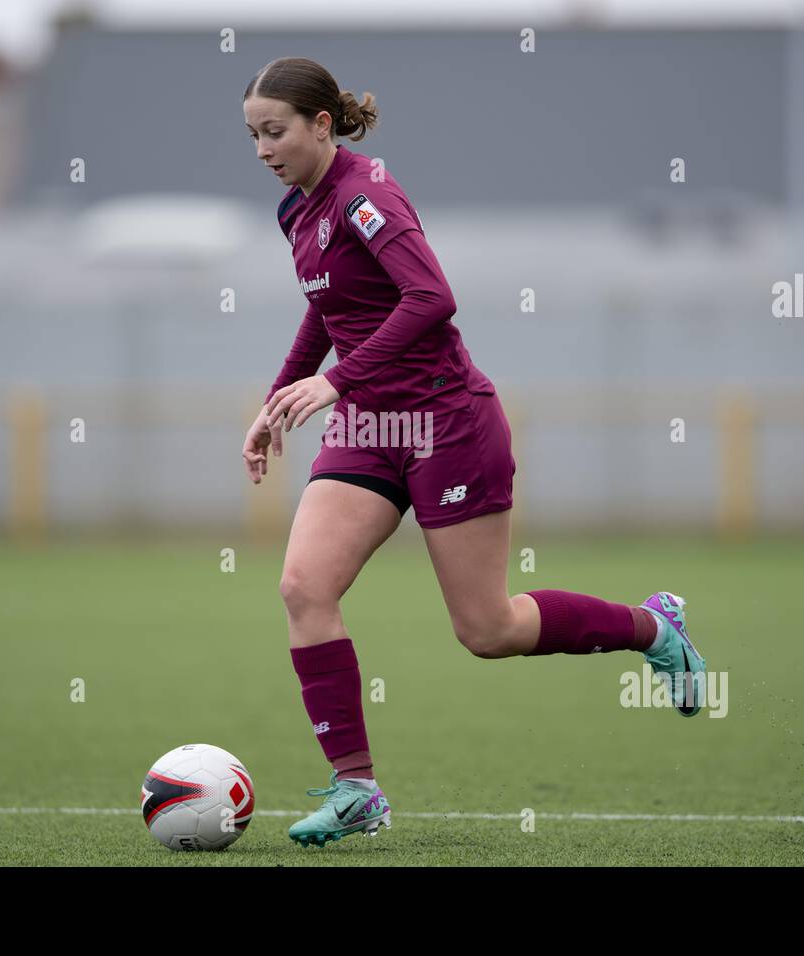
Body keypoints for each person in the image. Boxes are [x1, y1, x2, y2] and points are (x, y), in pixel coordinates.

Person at [240, 57, 706, 848]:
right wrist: (280, 397)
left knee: (487, 630)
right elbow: (328, 310)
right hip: (370, 429)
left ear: (322, 124)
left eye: (273, 132)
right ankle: (358, 790)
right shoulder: (297, 210)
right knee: (302, 588)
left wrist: (337, 382)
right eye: (251, 135)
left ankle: (653, 629)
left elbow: (433, 298)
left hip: (447, 423)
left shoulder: (365, 195)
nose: (261, 150)